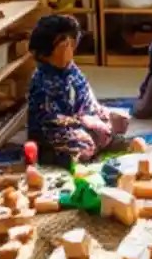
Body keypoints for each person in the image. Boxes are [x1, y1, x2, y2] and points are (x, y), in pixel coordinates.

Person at [26, 14, 126, 165]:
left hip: (82, 119)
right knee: (82, 146)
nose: (69, 49)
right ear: (46, 53)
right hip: (56, 131)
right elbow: (50, 120)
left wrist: (96, 115)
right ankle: (53, 155)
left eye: (70, 44)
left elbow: (86, 97)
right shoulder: (43, 81)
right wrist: (83, 122)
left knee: (120, 119)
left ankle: (100, 140)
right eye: (63, 46)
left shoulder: (70, 68)